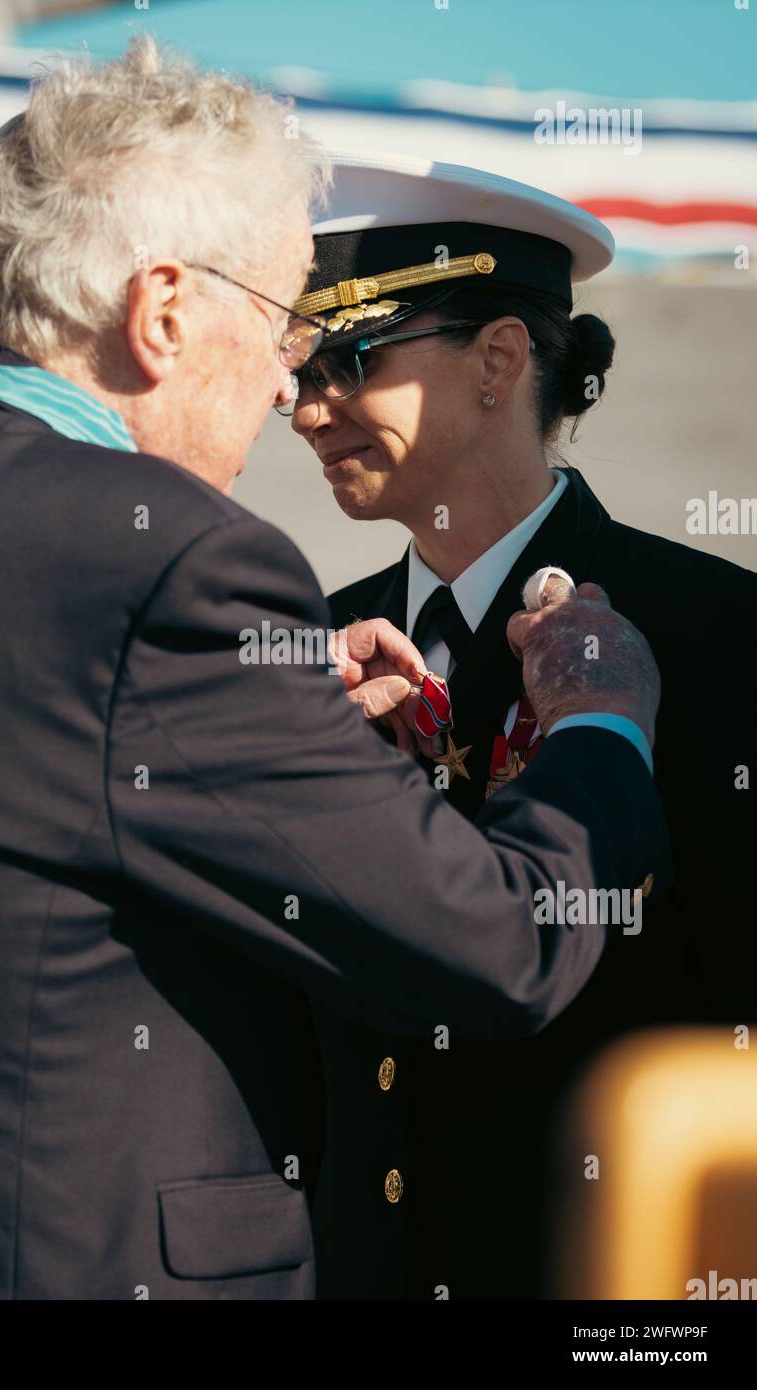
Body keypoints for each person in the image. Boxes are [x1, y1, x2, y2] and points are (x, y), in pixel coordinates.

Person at [0, 47, 666, 1301]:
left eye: (335, 350)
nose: (290, 385)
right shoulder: (166, 567)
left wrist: (226, 730)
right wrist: (601, 718)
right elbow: (505, 939)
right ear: (161, 313)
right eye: (282, 327)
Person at [286, 149, 756, 1299]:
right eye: (290, 371)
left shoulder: (717, 628)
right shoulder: (305, 644)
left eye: (348, 359)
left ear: (500, 357)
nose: (304, 411)